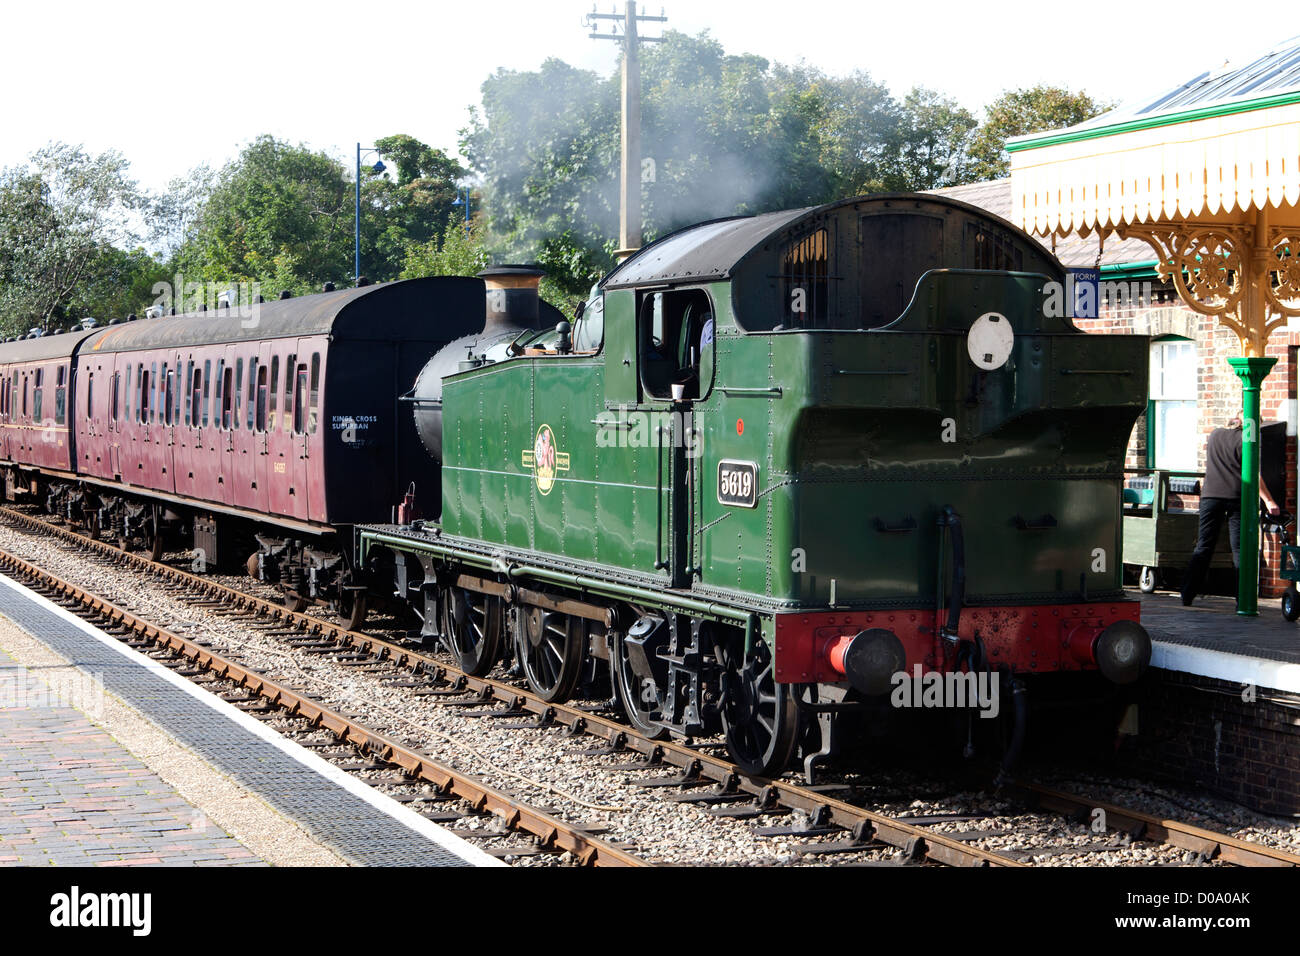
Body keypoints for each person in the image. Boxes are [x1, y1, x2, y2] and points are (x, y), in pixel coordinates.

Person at [1181, 417, 1281, 606]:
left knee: (1204, 546)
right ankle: (1241, 597)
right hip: (1236, 497)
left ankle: (1187, 593)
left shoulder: (1215, 435)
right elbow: (1253, 474)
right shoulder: (1246, 440)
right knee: (1240, 549)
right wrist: (1269, 500)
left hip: (1210, 496)